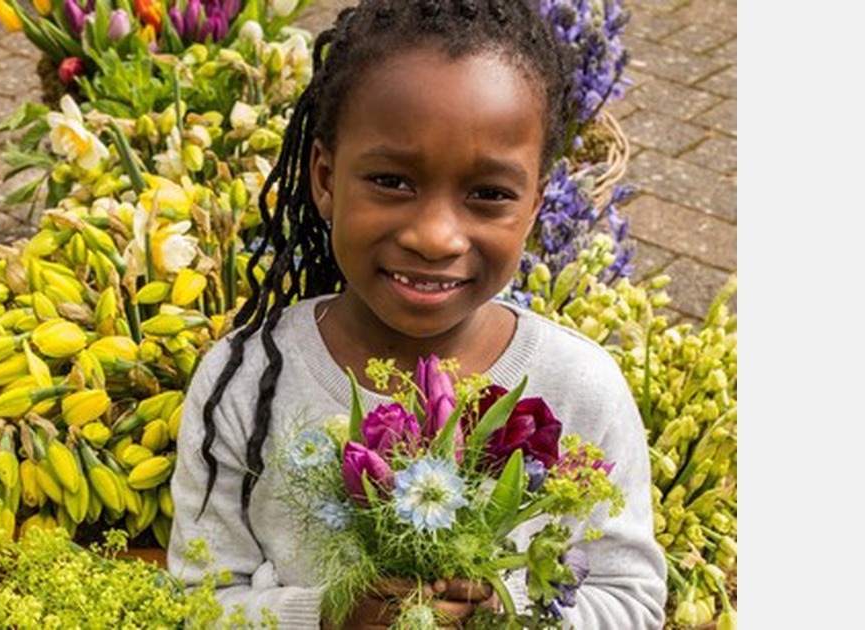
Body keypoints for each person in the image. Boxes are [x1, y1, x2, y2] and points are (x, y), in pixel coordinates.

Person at [167, 0, 667, 627]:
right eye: (392, 181)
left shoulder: (579, 386)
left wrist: (499, 614)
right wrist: (329, 615)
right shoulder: (247, 380)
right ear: (325, 177)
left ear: (536, 205)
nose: (436, 236)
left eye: (488, 194)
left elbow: (629, 600)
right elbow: (195, 602)